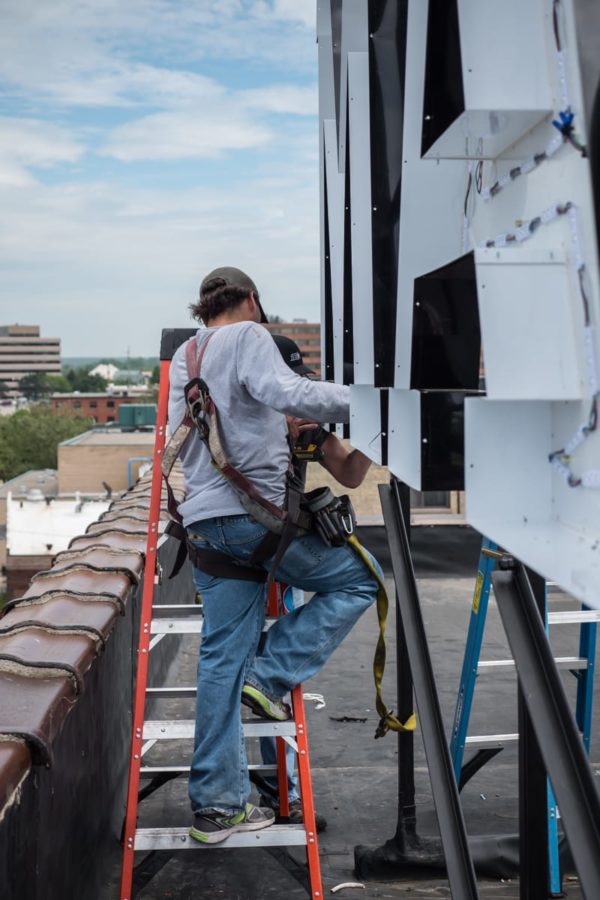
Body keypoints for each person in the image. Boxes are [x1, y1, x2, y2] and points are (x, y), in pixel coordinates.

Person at [168, 266, 383, 844]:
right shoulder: (248, 335)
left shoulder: (187, 356)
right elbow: (286, 392)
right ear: (252, 301)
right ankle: (268, 675)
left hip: (205, 531)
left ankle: (218, 806)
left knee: (220, 663)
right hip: (254, 526)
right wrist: (377, 404)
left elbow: (342, 465)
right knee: (362, 580)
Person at [257, 334, 372, 830]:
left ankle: (283, 792)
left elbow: (350, 474)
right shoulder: (248, 422)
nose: (299, 407)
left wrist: (374, 436)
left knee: (271, 681)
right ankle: (248, 788)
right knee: (247, 670)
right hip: (247, 546)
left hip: (283, 548)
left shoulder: (308, 430)